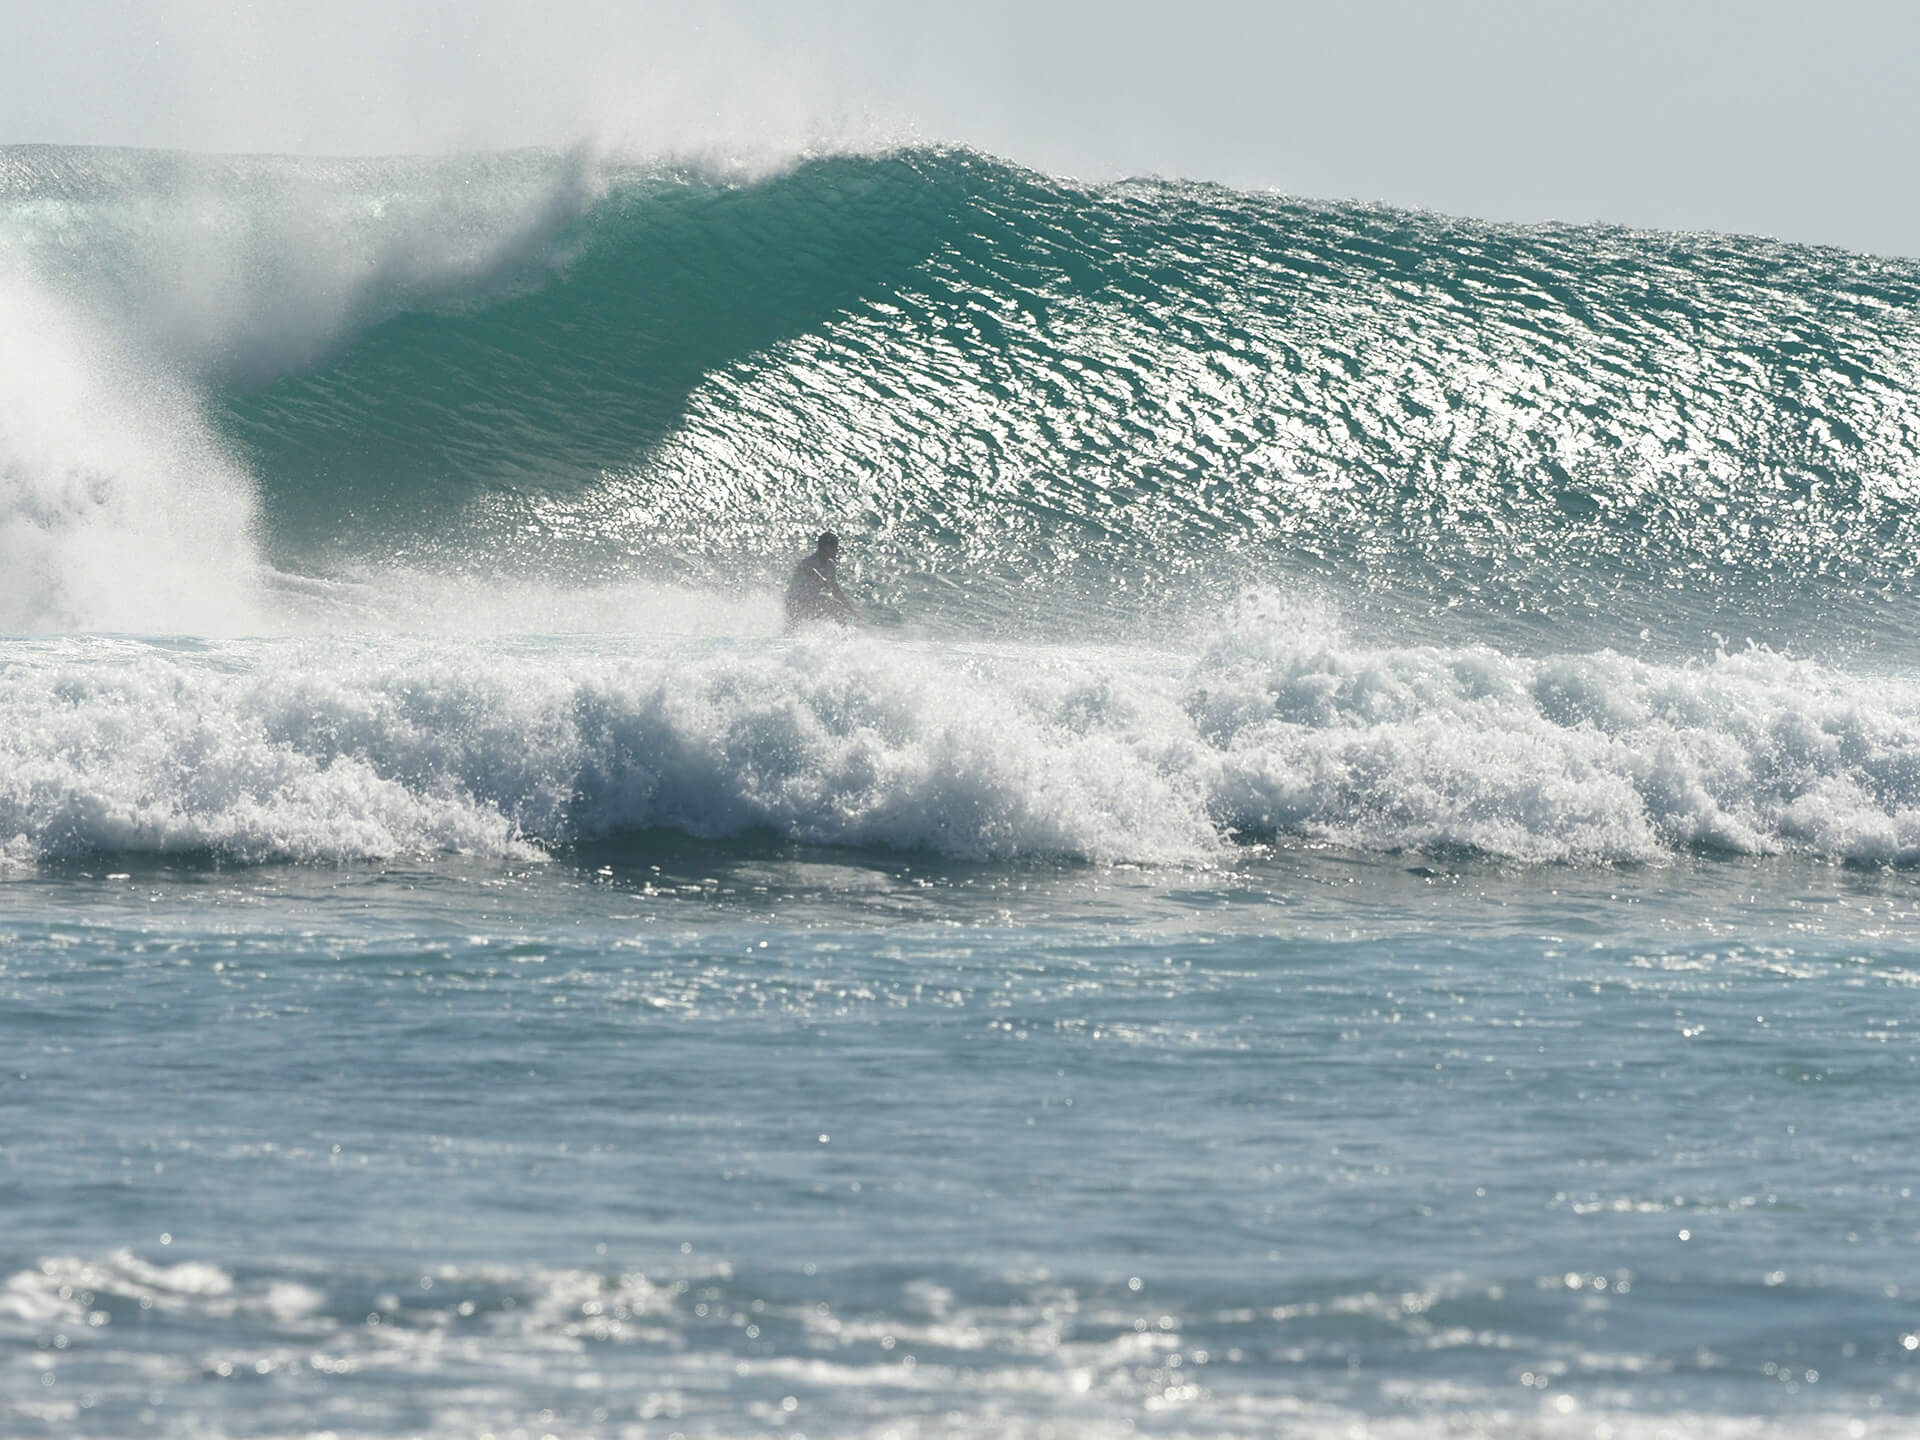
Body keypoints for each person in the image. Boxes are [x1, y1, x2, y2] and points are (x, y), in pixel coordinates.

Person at [784, 531, 860, 631]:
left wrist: (851, 609)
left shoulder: (830, 565)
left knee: (837, 607)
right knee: (830, 605)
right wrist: (822, 579)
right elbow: (811, 571)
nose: (836, 550)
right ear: (826, 547)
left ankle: (843, 635)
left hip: (810, 602)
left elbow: (836, 590)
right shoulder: (808, 561)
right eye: (834, 547)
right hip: (795, 603)